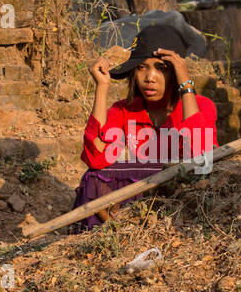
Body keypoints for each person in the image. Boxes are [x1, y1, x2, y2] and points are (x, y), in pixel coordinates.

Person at [72, 23, 217, 230]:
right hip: (134, 204)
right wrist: (102, 88)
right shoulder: (124, 110)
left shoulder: (201, 106)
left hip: (181, 202)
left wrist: (185, 83)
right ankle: (108, 234)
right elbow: (96, 158)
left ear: (175, 73)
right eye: (142, 67)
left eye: (161, 68)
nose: (150, 77)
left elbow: (205, 160)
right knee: (93, 179)